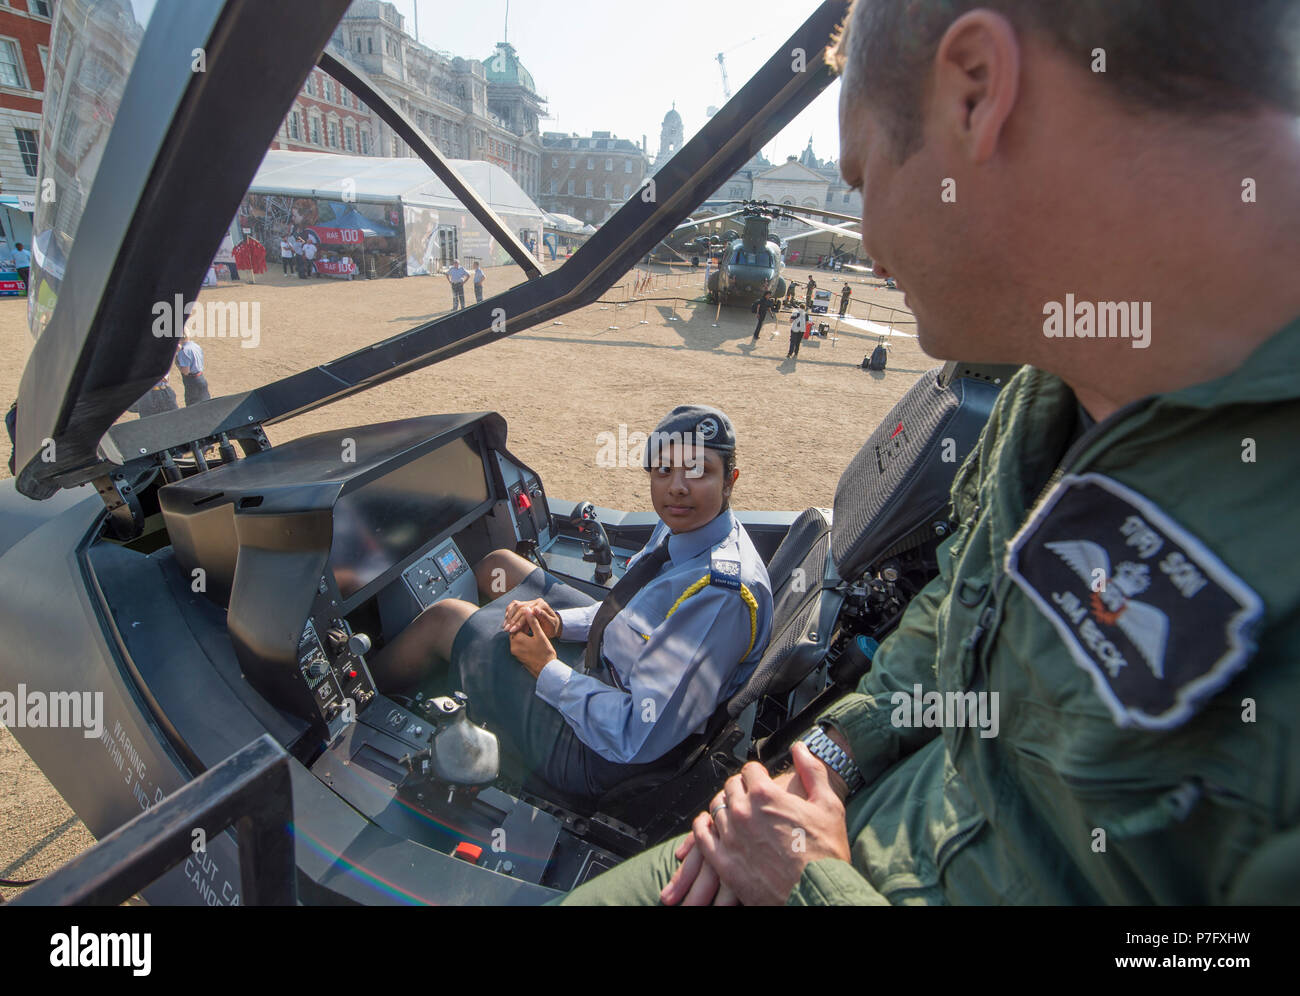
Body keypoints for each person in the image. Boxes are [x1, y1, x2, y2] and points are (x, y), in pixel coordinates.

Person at [562, 0, 1300, 905]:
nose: (867, 246)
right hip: (863, 817)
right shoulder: (1048, 389)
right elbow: (957, 608)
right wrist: (828, 754)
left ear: (977, 93)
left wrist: (814, 885)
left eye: (865, 177)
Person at [369, 406, 773, 802]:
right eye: (664, 470)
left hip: (600, 753)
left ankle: (357, 705)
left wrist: (545, 668)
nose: (677, 487)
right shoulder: (685, 526)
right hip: (613, 668)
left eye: (698, 470)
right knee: (499, 565)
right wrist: (559, 624)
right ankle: (475, 667)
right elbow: (632, 611)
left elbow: (635, 734)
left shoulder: (720, 593)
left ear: (729, 480)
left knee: (446, 619)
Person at [174, 331, 211, 406]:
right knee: (206, 405)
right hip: (201, 378)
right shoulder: (195, 345)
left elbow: (185, 371)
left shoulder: (183, 351)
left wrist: (177, 359)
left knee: (192, 407)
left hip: (192, 382)